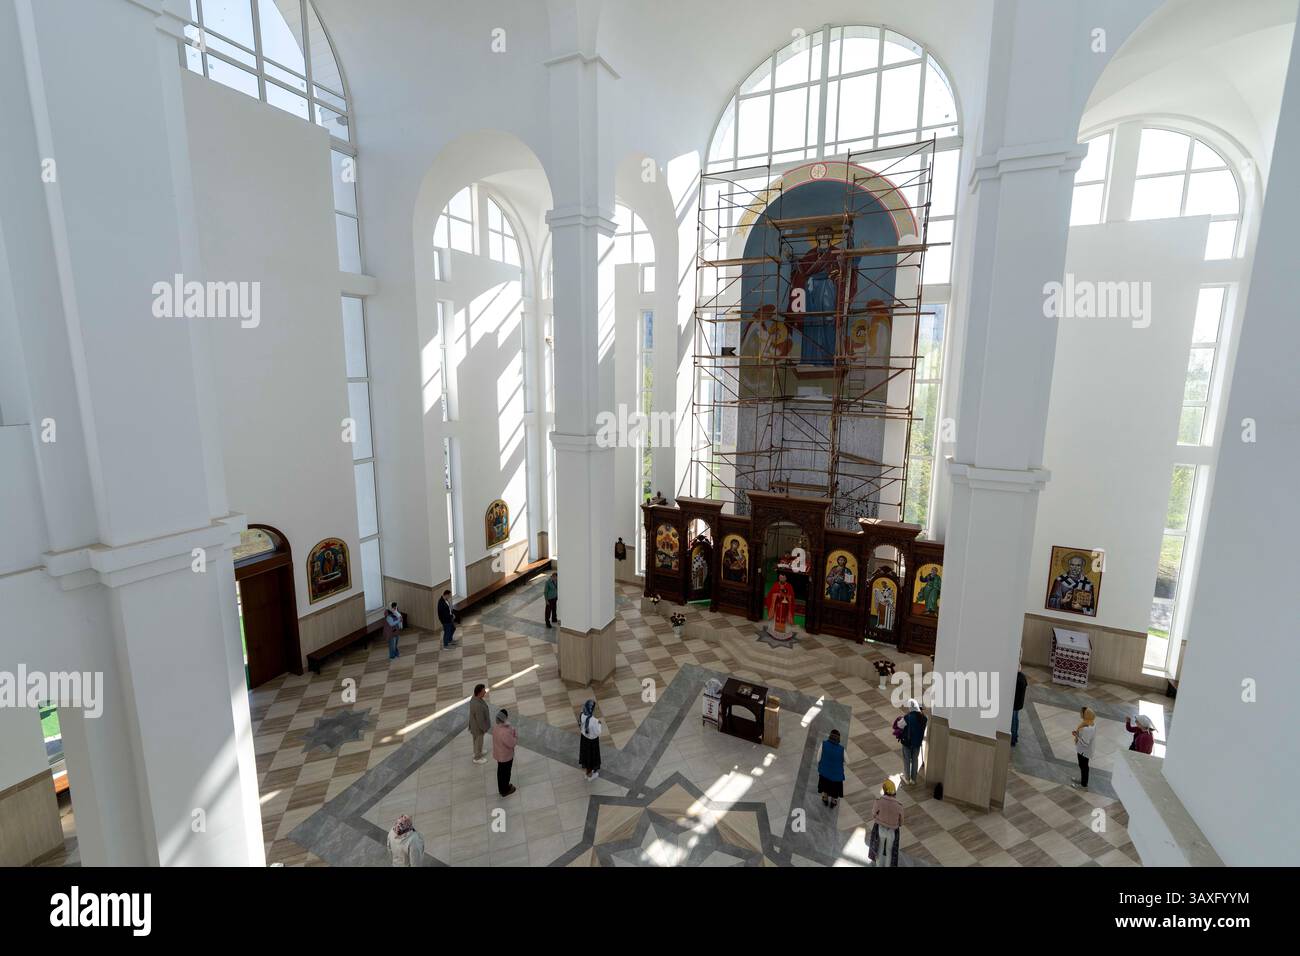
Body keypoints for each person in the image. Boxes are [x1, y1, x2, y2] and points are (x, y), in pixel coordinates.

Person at [869, 779, 904, 867]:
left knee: (880, 849)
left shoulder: (879, 801)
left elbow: (873, 814)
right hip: (892, 831)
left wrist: (878, 819)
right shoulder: (899, 806)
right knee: (889, 851)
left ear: (884, 790)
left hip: (881, 829)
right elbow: (901, 822)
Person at [816, 728, 846, 808]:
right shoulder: (841, 749)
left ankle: (825, 798)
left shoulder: (824, 744)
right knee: (835, 789)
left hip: (824, 773)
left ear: (830, 736)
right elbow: (848, 761)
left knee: (825, 786)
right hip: (836, 776)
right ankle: (833, 801)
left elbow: (818, 759)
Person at [900, 698, 927, 785]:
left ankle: (907, 779)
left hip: (907, 742)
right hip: (917, 743)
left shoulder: (908, 717)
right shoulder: (924, 718)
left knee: (907, 760)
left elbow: (900, 725)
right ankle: (914, 779)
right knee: (915, 760)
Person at [492, 708, 518, 797]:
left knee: (500, 772)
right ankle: (505, 790)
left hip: (499, 754)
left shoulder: (496, 727)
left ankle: (502, 788)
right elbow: (512, 743)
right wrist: (515, 735)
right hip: (506, 756)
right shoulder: (505, 731)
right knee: (506, 773)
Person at [1072, 706, 1097, 789]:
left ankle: (1083, 784)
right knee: (1084, 766)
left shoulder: (1087, 728)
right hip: (1087, 750)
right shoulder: (1092, 723)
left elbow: (1085, 743)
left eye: (1081, 713)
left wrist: (1077, 736)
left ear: (1086, 715)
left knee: (1083, 767)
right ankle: (1083, 780)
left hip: (1084, 751)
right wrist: (1078, 734)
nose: (1080, 713)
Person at [578, 699, 602, 780]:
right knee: (592, 757)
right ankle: (590, 775)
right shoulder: (595, 721)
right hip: (592, 742)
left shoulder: (581, 715)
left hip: (584, 739)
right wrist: (599, 724)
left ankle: (587, 772)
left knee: (586, 756)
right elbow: (598, 732)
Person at [468, 683, 491, 764]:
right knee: (479, 741)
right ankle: (477, 758)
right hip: (478, 728)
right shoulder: (478, 705)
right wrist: (484, 729)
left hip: (474, 725)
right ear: (479, 693)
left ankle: (477, 752)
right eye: (483, 691)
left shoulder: (474, 698)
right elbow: (480, 720)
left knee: (476, 740)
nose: (485, 692)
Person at [1011, 669, 1028, 747]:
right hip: (1018, 704)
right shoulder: (1022, 677)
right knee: (1016, 720)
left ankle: (1013, 739)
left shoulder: (1016, 679)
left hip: (1015, 704)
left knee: (1013, 721)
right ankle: (1015, 736)